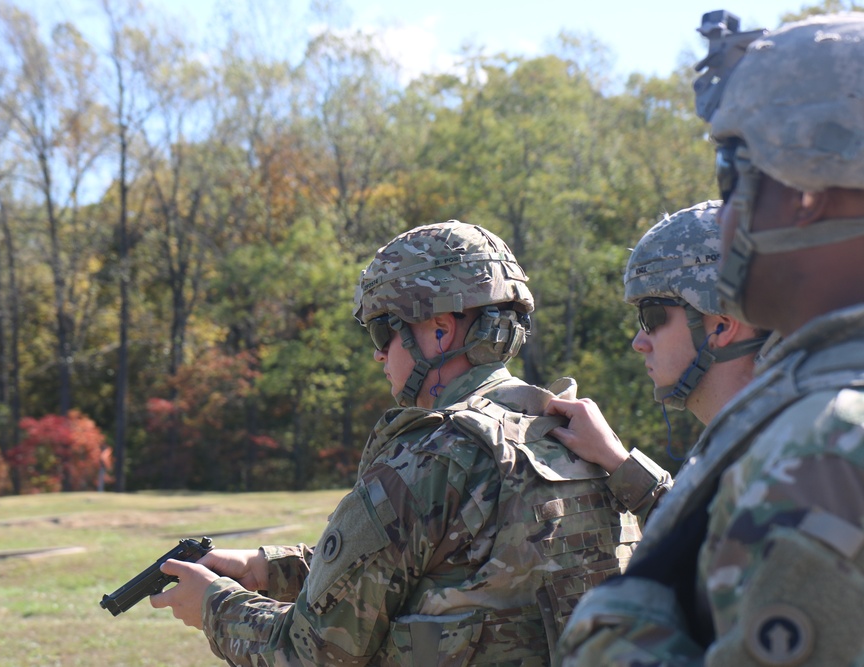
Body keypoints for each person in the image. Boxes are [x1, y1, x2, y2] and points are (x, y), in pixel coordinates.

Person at [150, 221, 641, 665]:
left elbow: (306, 654)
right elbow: (428, 566)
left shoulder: (431, 457)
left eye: (384, 330)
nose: (380, 354)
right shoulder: (577, 437)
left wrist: (213, 604)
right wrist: (264, 568)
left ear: (440, 331)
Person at [556, 12, 864, 665]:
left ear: (806, 188)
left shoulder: (824, 443)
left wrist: (618, 626)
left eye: (732, 174)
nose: (723, 212)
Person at [545, 201, 769, 524]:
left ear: (721, 323)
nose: (639, 342)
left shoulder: (800, 447)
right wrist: (617, 460)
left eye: (652, 316)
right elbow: (704, 537)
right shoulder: (761, 436)